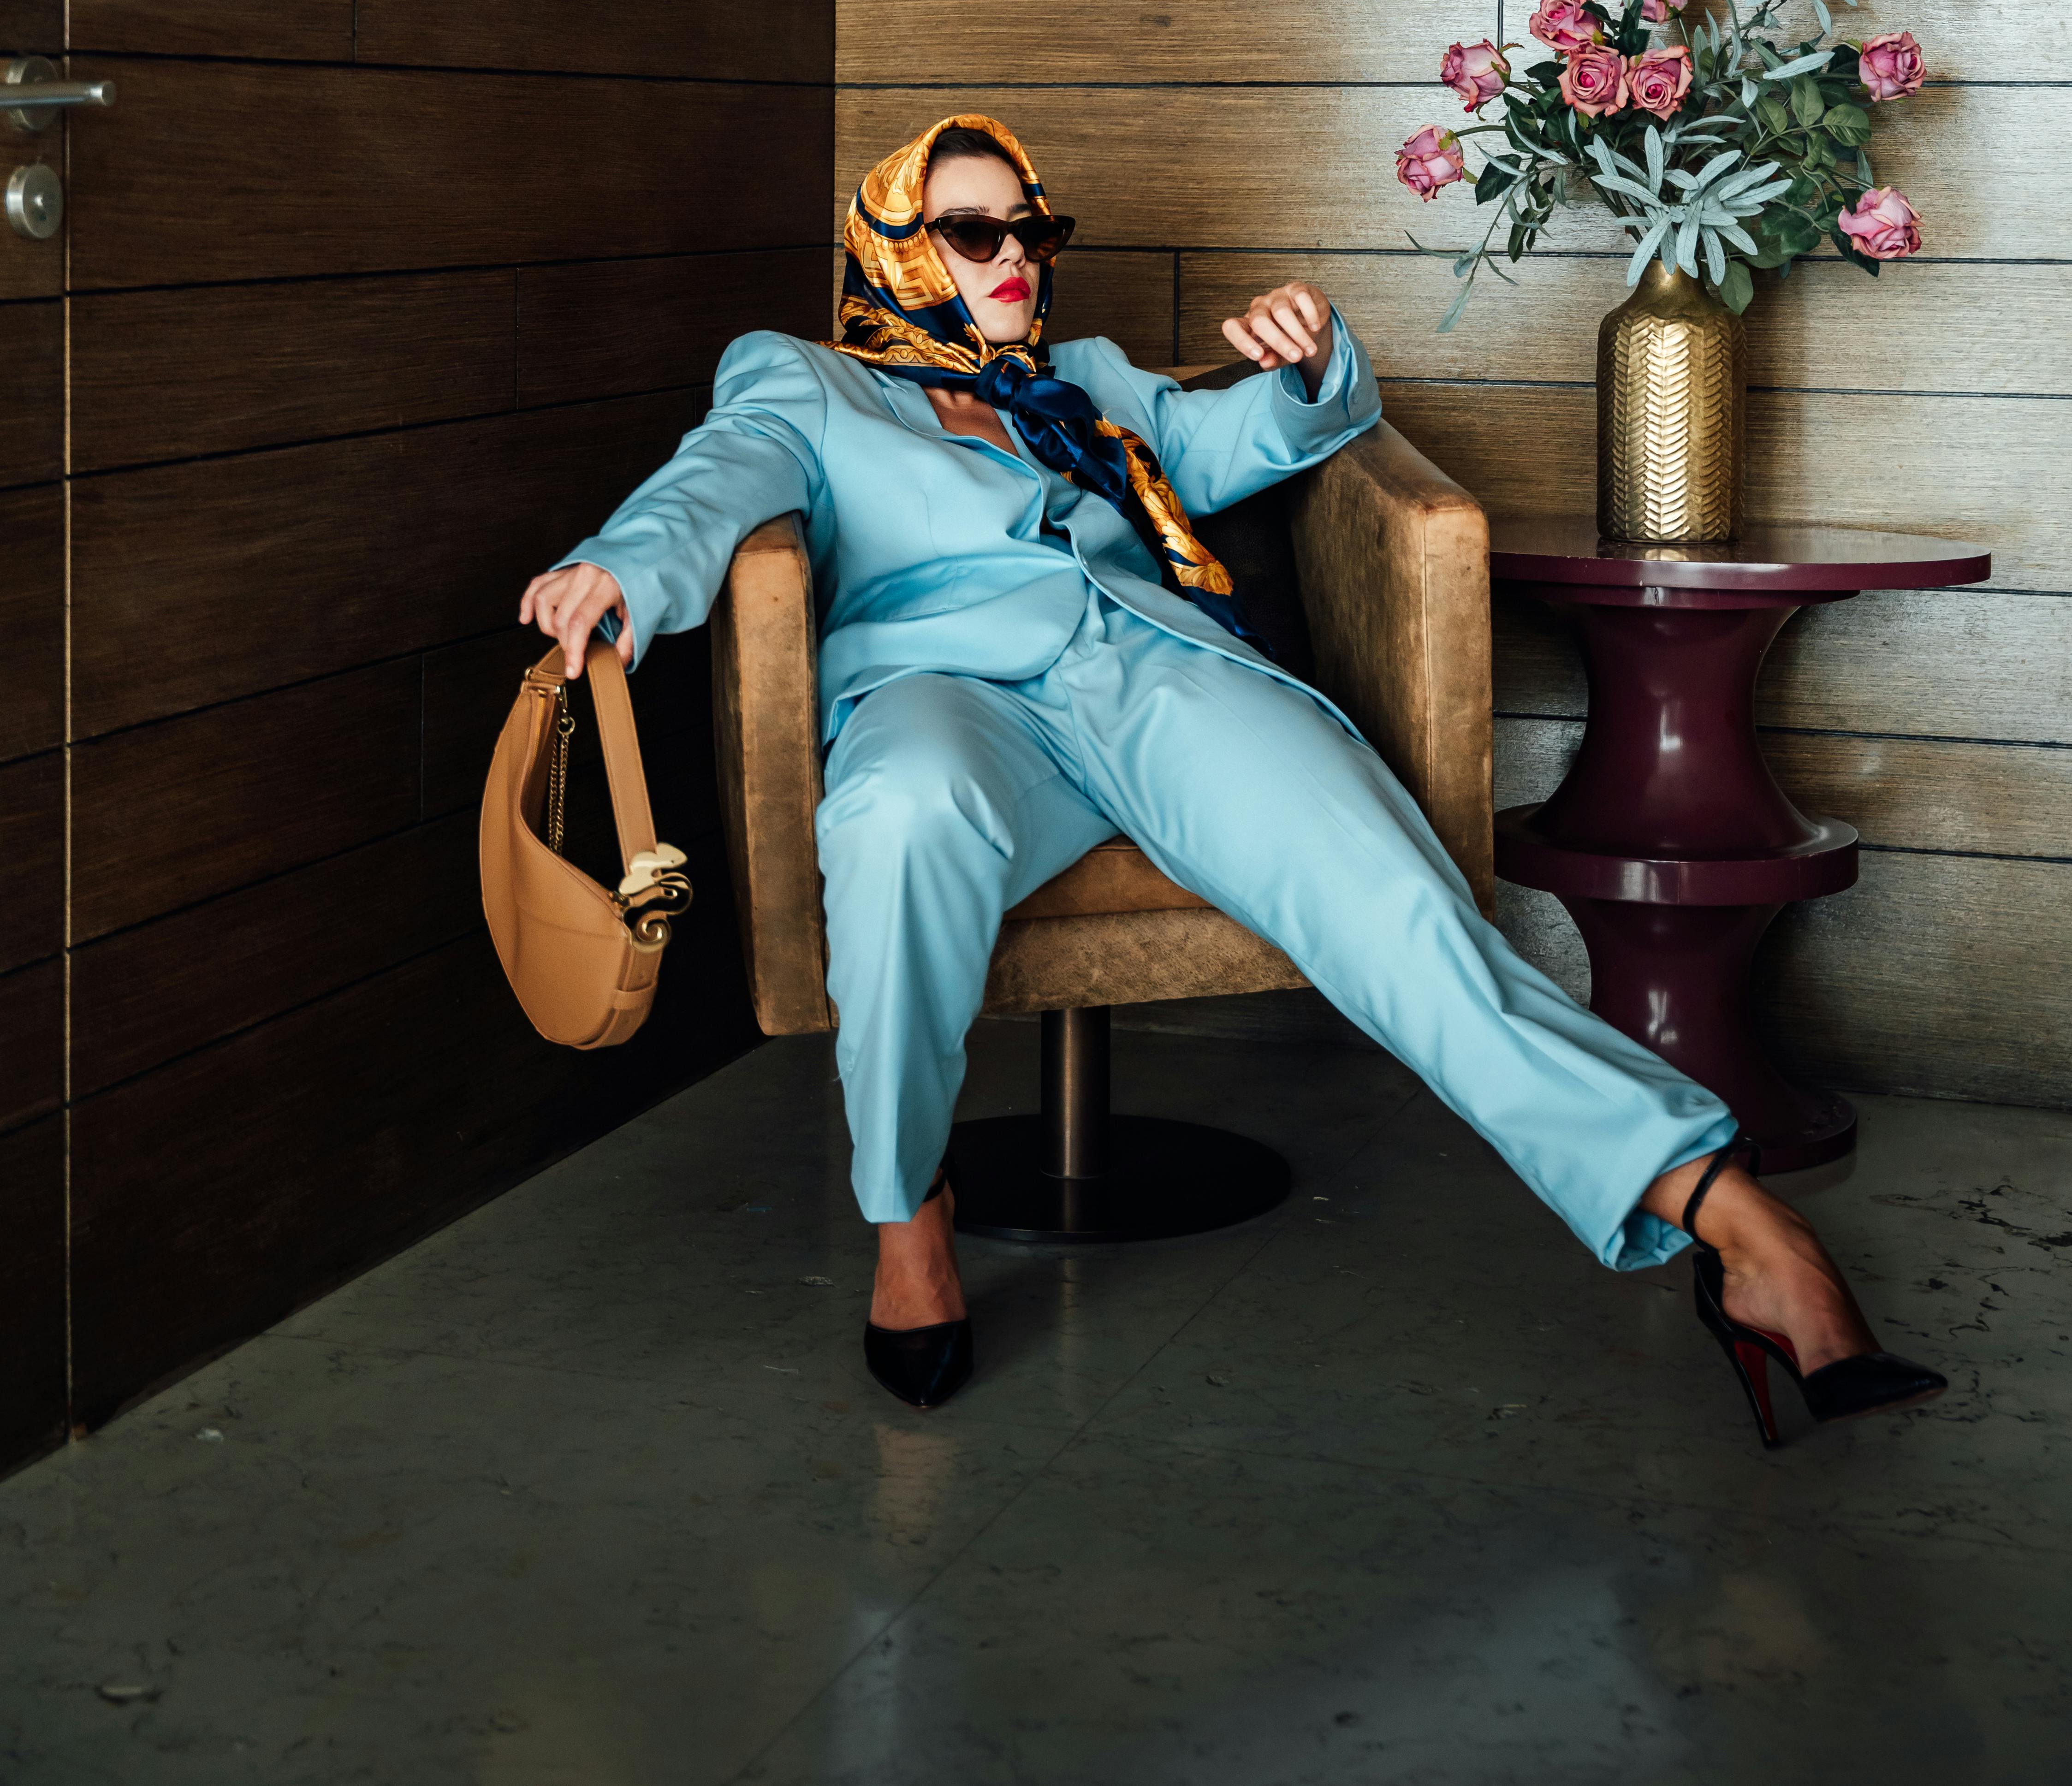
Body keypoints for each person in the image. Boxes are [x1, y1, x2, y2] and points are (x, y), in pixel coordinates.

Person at [521, 115, 1942, 1444]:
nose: (1016, 256)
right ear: (892, 244)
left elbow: (1257, 436)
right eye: (973, 232)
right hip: (940, 695)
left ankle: (1733, 1218)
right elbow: (715, 479)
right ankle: (909, 1212)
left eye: (1030, 227)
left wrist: (1310, 357)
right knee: (898, 818)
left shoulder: (1086, 385)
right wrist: (622, 568)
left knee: (1399, 909)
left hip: (1152, 676)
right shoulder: (809, 380)